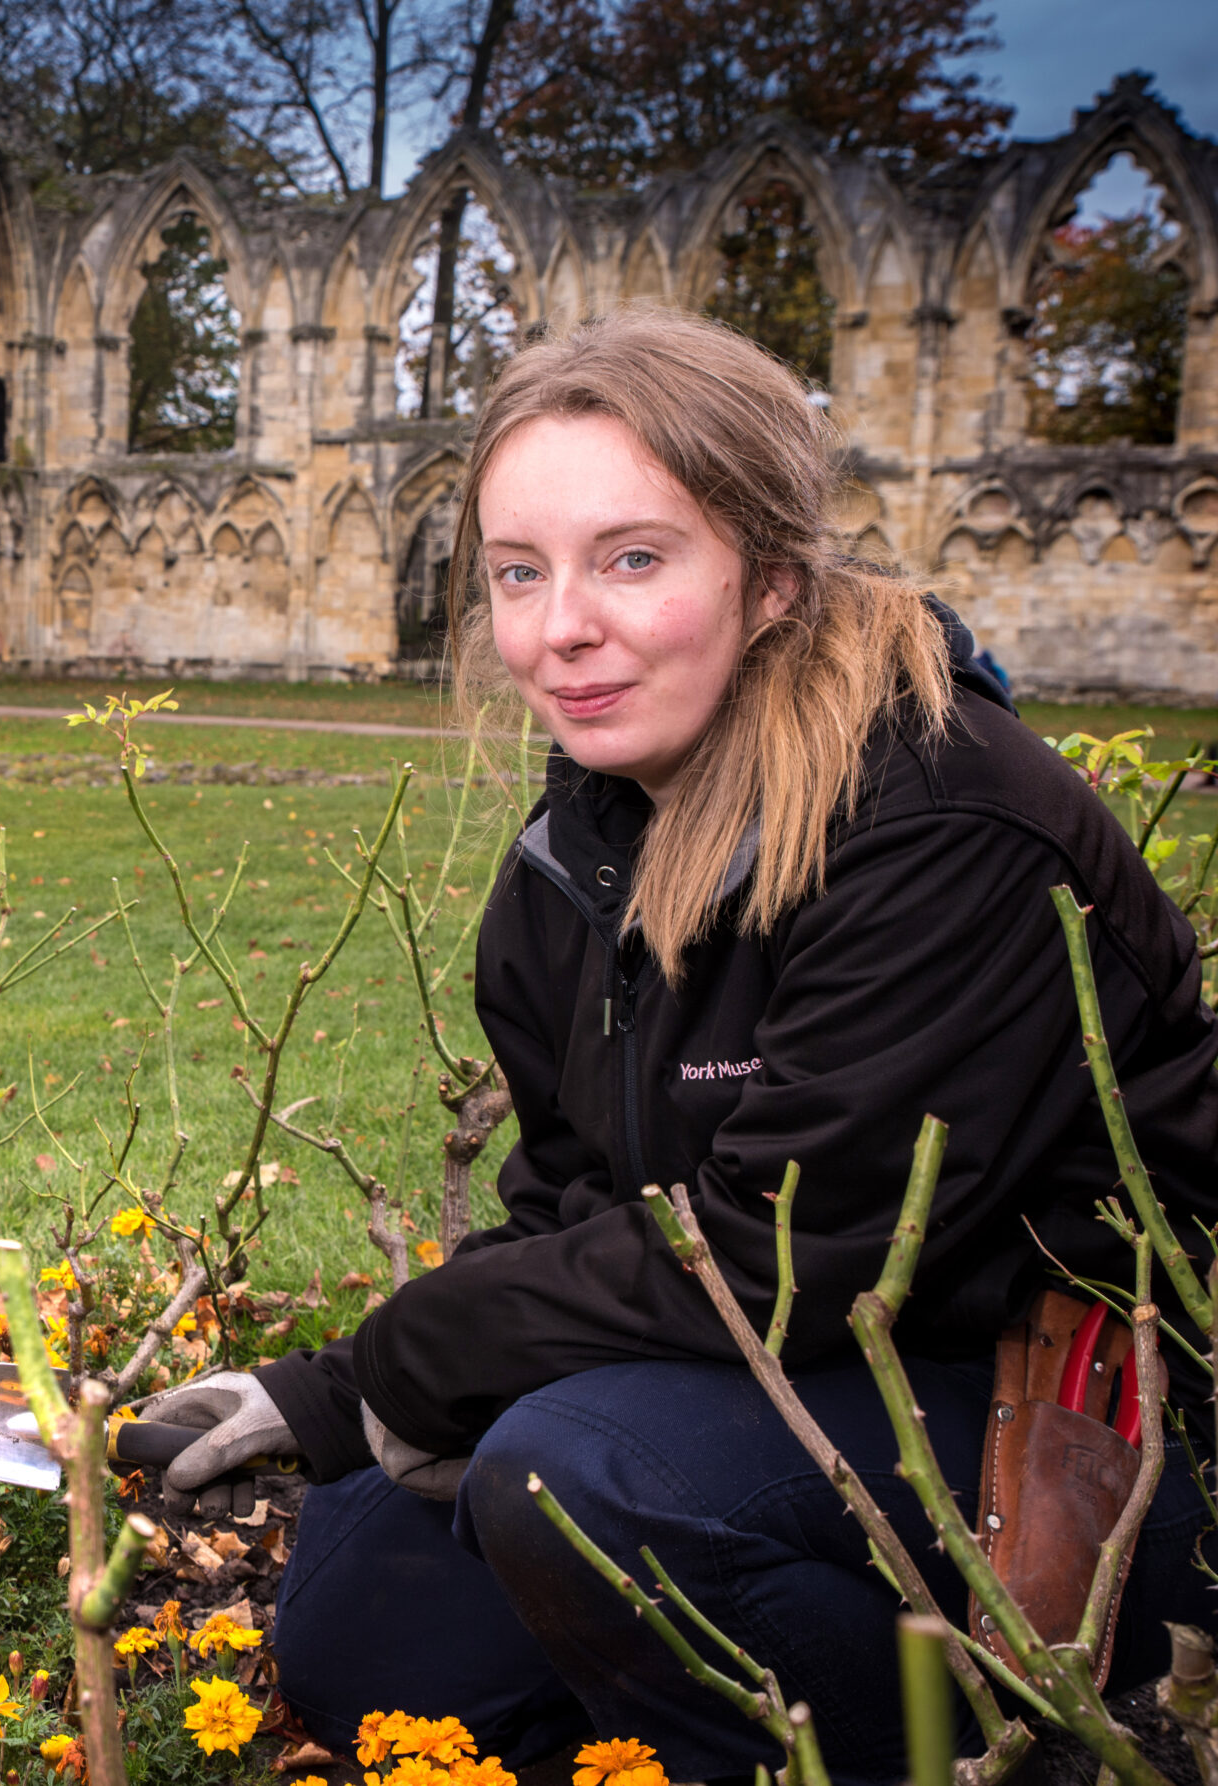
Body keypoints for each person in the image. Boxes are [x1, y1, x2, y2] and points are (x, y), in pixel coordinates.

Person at [137, 307, 1217, 1780]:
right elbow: (574, 1201)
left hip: (1085, 1426)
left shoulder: (946, 816)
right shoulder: (580, 847)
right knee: (369, 1638)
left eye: (633, 559)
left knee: (581, 1477)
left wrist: (400, 1370)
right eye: (519, 573)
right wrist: (329, 1396)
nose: (558, 628)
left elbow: (783, 1252)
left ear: (772, 578)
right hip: (791, 1380)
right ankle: (712, 1685)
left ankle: (972, 1745)